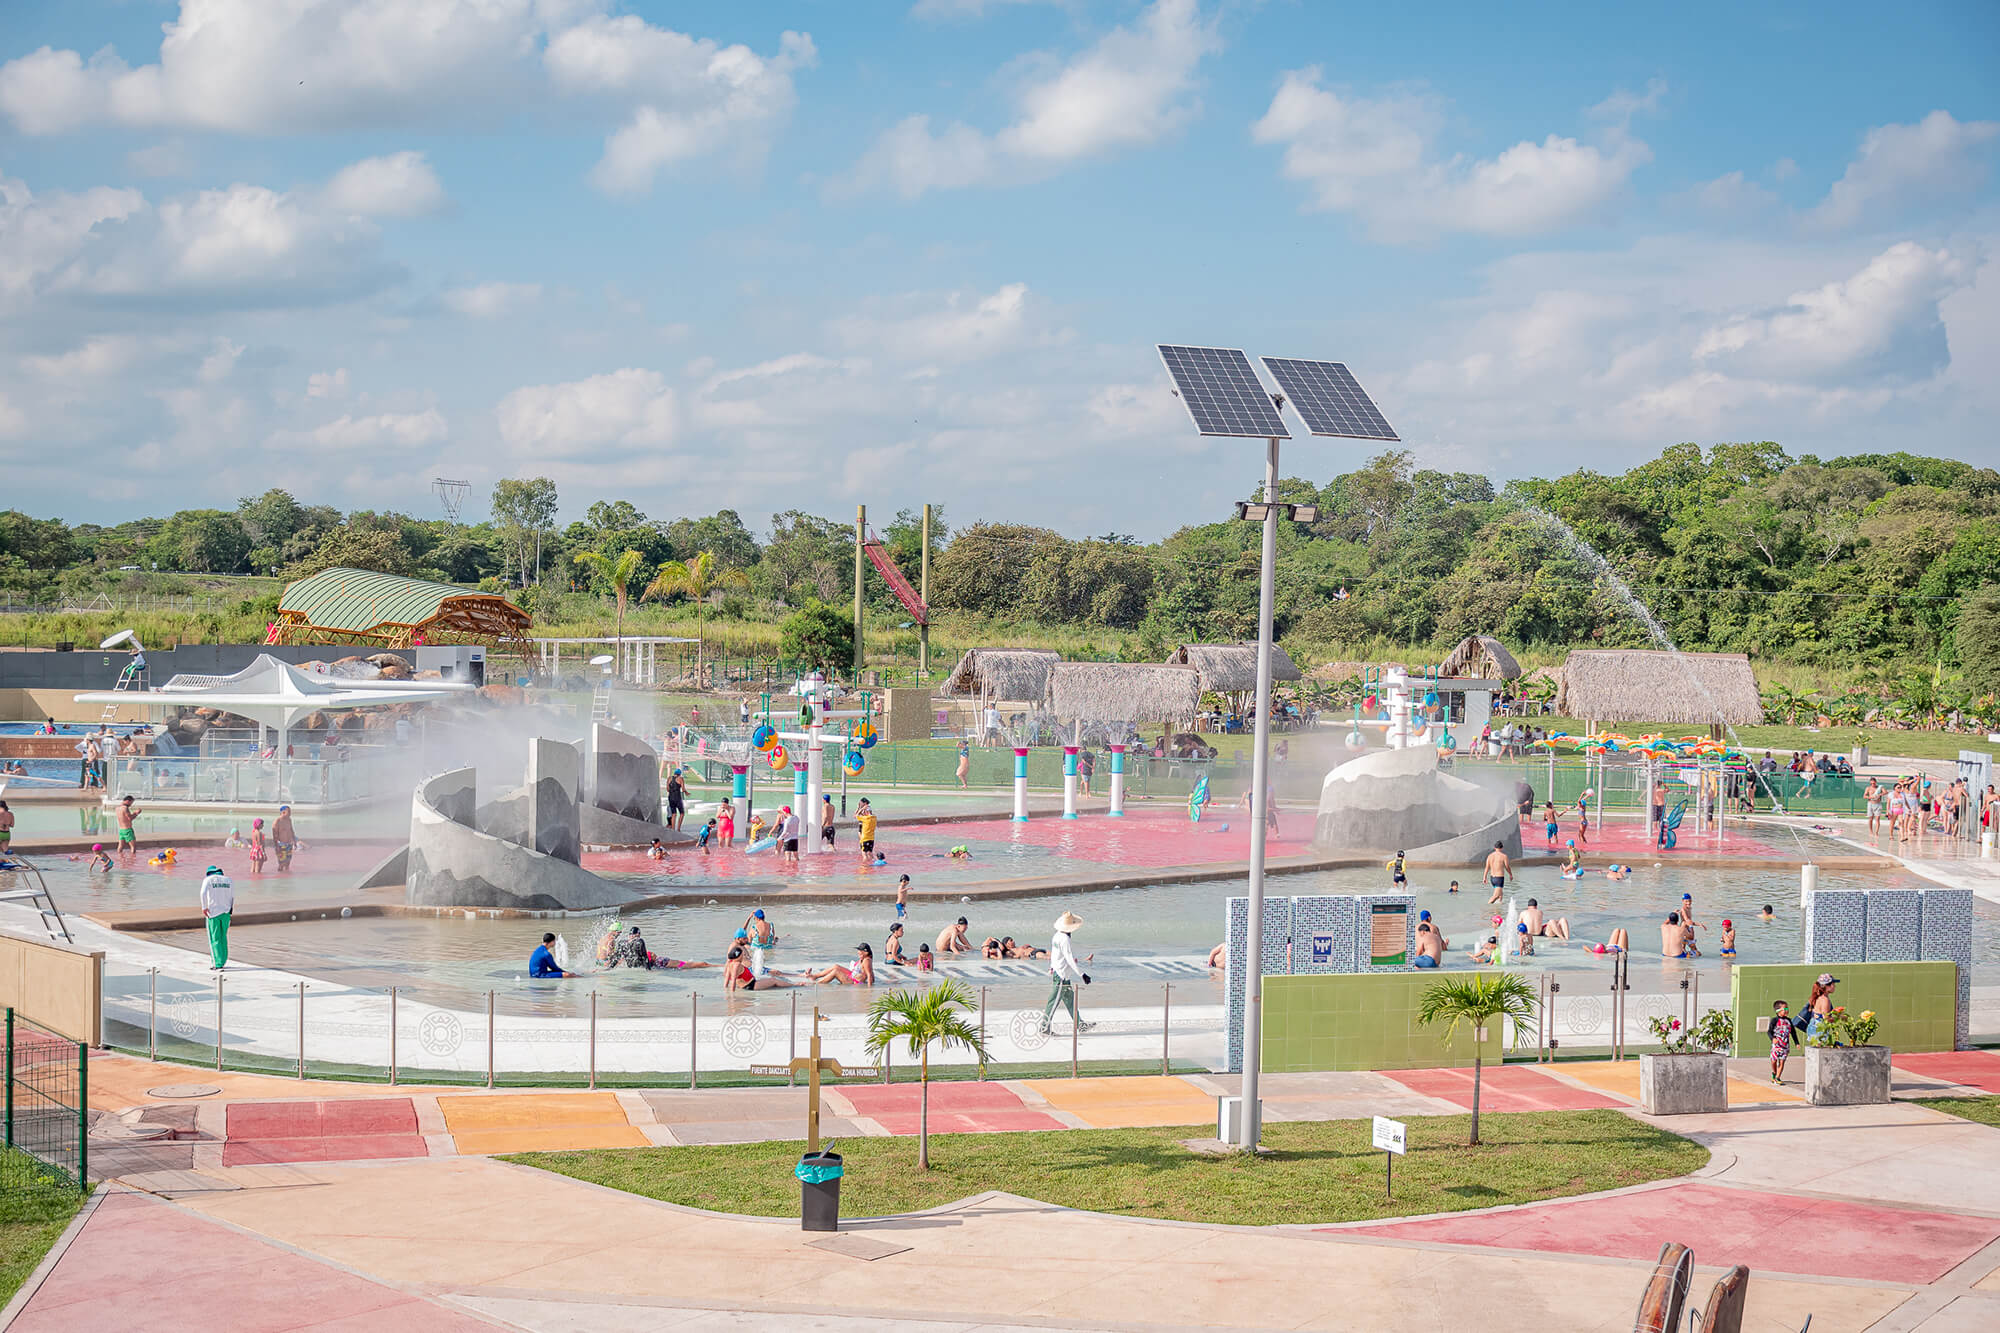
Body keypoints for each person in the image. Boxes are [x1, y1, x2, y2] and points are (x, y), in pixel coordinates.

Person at [1040, 911, 1092, 1034]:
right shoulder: (1064, 939)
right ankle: (1044, 1028)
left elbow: (1055, 955)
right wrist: (1082, 974)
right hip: (1061, 976)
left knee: (1070, 1002)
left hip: (1061, 974)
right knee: (1053, 1002)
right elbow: (1069, 958)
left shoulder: (1056, 936)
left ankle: (1080, 1025)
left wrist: (1052, 967)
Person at [200, 864, 234, 971]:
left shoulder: (208, 880)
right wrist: (230, 909)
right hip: (226, 912)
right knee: (223, 937)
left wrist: (204, 907)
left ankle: (217, 963)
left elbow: (203, 893)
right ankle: (223, 960)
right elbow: (232, 896)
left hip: (213, 912)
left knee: (214, 938)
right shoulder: (228, 880)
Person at [807, 943, 874, 986]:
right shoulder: (863, 958)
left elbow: (869, 974)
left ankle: (816, 984)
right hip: (853, 975)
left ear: (866, 952)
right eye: (858, 950)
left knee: (835, 972)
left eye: (860, 951)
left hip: (854, 982)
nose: (858, 952)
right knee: (836, 966)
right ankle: (815, 976)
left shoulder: (867, 960)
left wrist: (869, 989)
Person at [1768, 1000, 1795, 1083]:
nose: (1787, 1010)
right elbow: (1769, 1031)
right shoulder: (1774, 1020)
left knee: (1782, 1062)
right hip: (1776, 1045)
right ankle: (1774, 1072)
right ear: (1778, 1011)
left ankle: (1778, 1078)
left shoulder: (1789, 1021)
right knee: (1774, 1061)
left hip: (1785, 1046)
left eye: (1787, 1008)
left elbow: (1793, 1032)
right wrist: (1773, 1038)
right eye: (1785, 1008)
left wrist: (1796, 1043)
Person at [273, 805, 296, 870]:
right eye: (289, 812)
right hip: (281, 844)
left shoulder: (289, 820)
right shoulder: (277, 821)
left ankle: (286, 877)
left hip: (289, 844)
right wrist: (276, 846)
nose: (290, 813)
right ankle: (280, 878)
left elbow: (291, 830)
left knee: (288, 862)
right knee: (281, 863)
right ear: (283, 812)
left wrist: (294, 841)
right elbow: (275, 834)